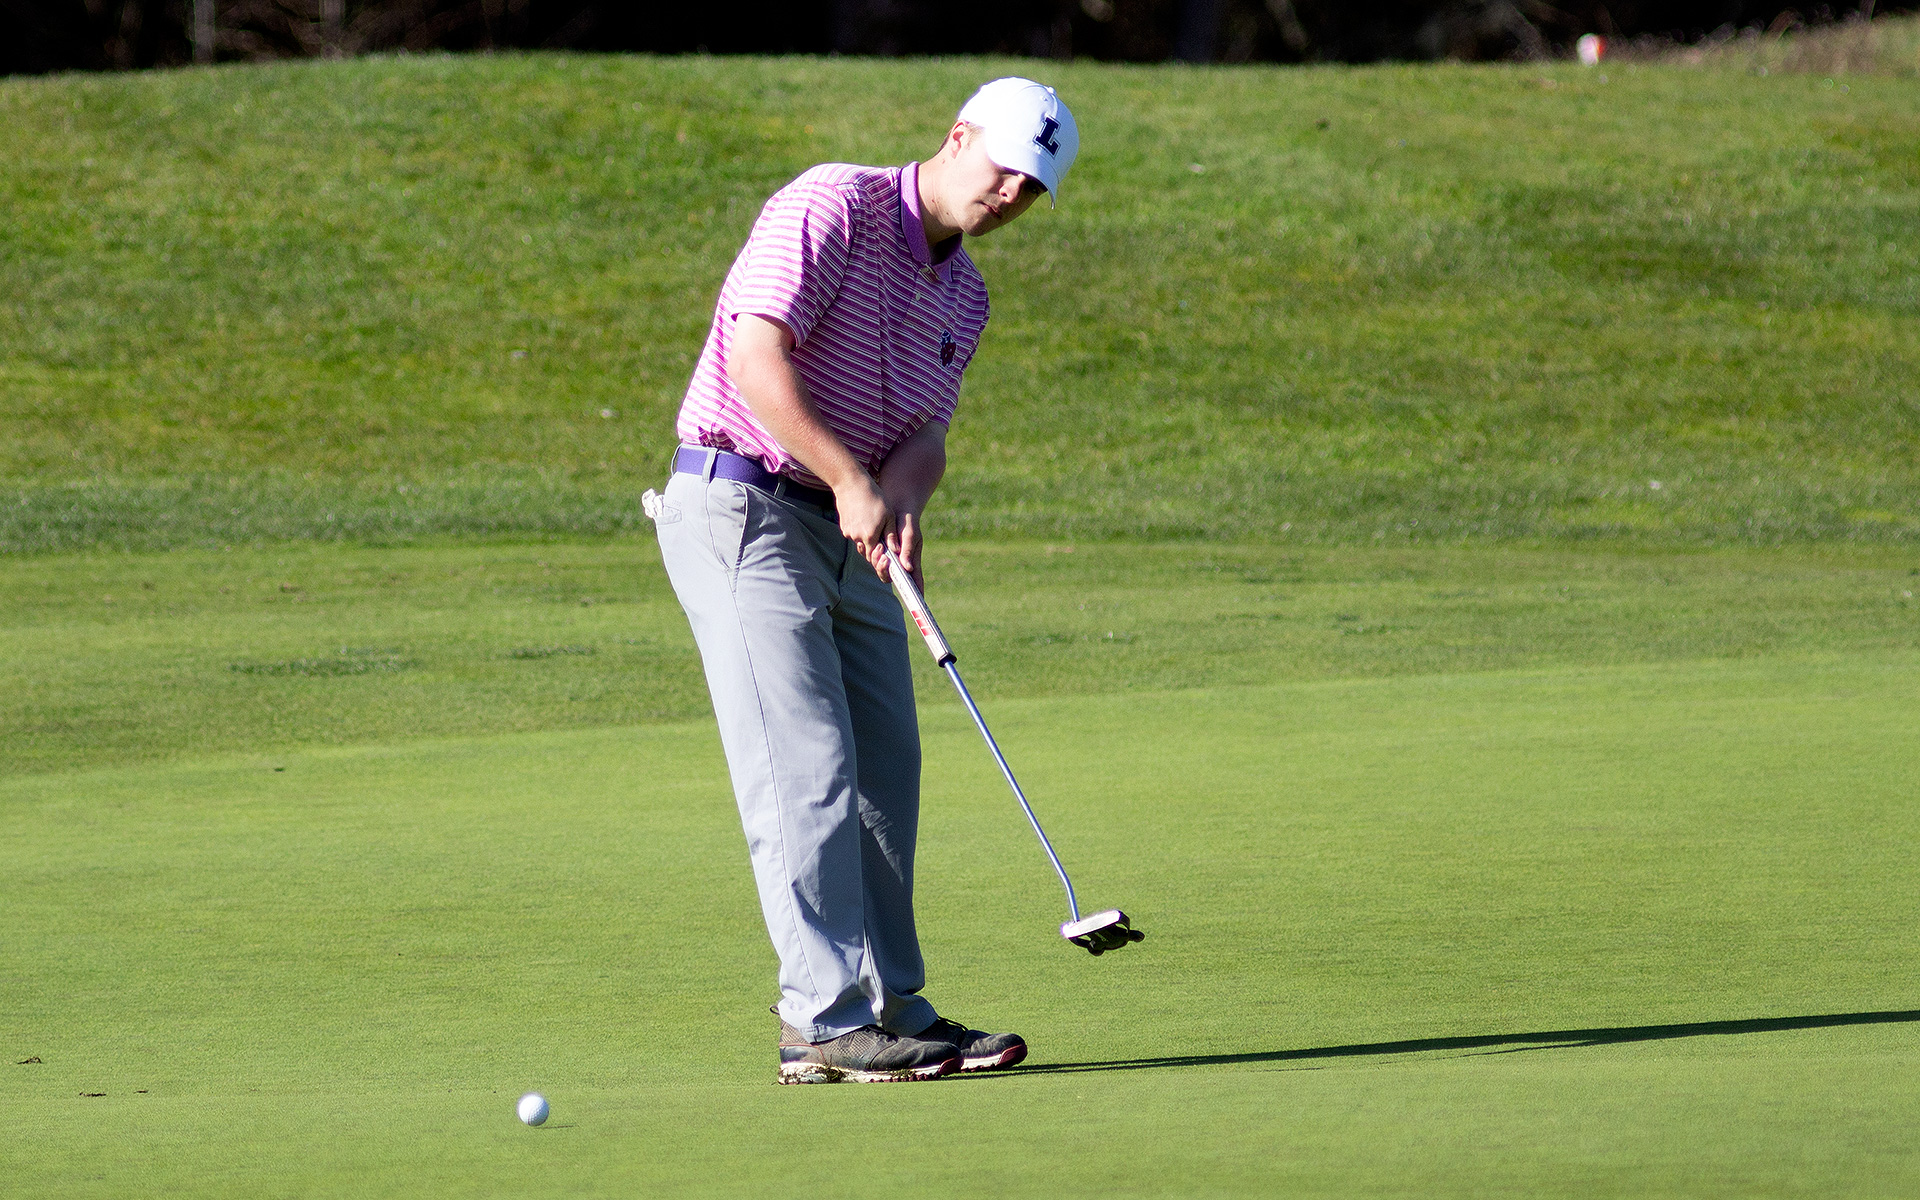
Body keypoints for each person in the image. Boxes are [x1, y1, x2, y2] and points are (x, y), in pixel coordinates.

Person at [645, 78, 1079, 1084]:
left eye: (1033, 185)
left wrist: (898, 495)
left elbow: (926, 435)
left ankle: (892, 1005)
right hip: (744, 506)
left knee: (886, 771)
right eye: (1003, 165)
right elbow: (757, 360)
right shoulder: (831, 205)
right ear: (956, 136)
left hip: (850, 529)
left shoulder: (965, 294)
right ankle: (823, 1020)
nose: (1011, 192)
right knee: (806, 768)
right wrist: (850, 479)